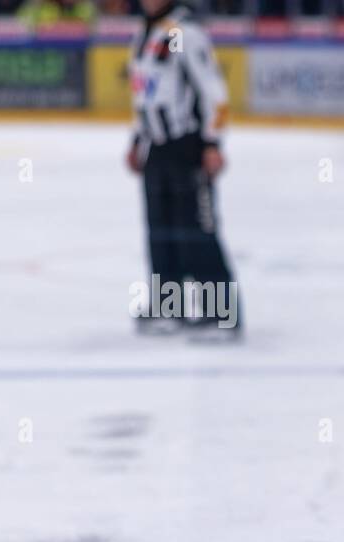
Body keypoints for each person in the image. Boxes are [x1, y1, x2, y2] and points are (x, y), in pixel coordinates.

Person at [126, 0, 239, 337]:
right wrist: (137, 139)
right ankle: (168, 307)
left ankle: (222, 315)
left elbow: (214, 94)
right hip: (156, 149)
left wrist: (212, 144)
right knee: (161, 232)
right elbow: (145, 94)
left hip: (187, 147)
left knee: (197, 231)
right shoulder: (144, 33)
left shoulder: (186, 33)